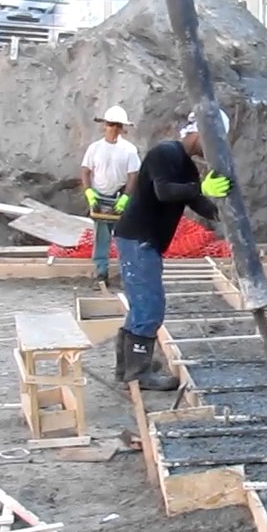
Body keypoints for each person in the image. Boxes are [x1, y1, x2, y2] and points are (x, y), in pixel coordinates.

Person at [113, 108, 233, 391]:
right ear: (201, 132)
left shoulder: (186, 165)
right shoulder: (164, 153)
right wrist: (200, 187)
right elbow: (164, 191)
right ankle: (138, 373)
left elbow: (195, 201)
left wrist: (220, 210)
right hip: (138, 239)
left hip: (146, 240)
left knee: (142, 305)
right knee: (150, 307)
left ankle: (128, 366)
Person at [79, 105, 140, 288]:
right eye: (111, 124)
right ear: (105, 125)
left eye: (117, 125)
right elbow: (85, 170)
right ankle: (101, 271)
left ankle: (128, 271)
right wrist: (89, 192)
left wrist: (126, 197)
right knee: (101, 236)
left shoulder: (129, 150)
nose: (114, 129)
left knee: (125, 235)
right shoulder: (95, 148)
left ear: (123, 128)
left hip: (119, 195)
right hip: (99, 195)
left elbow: (133, 176)